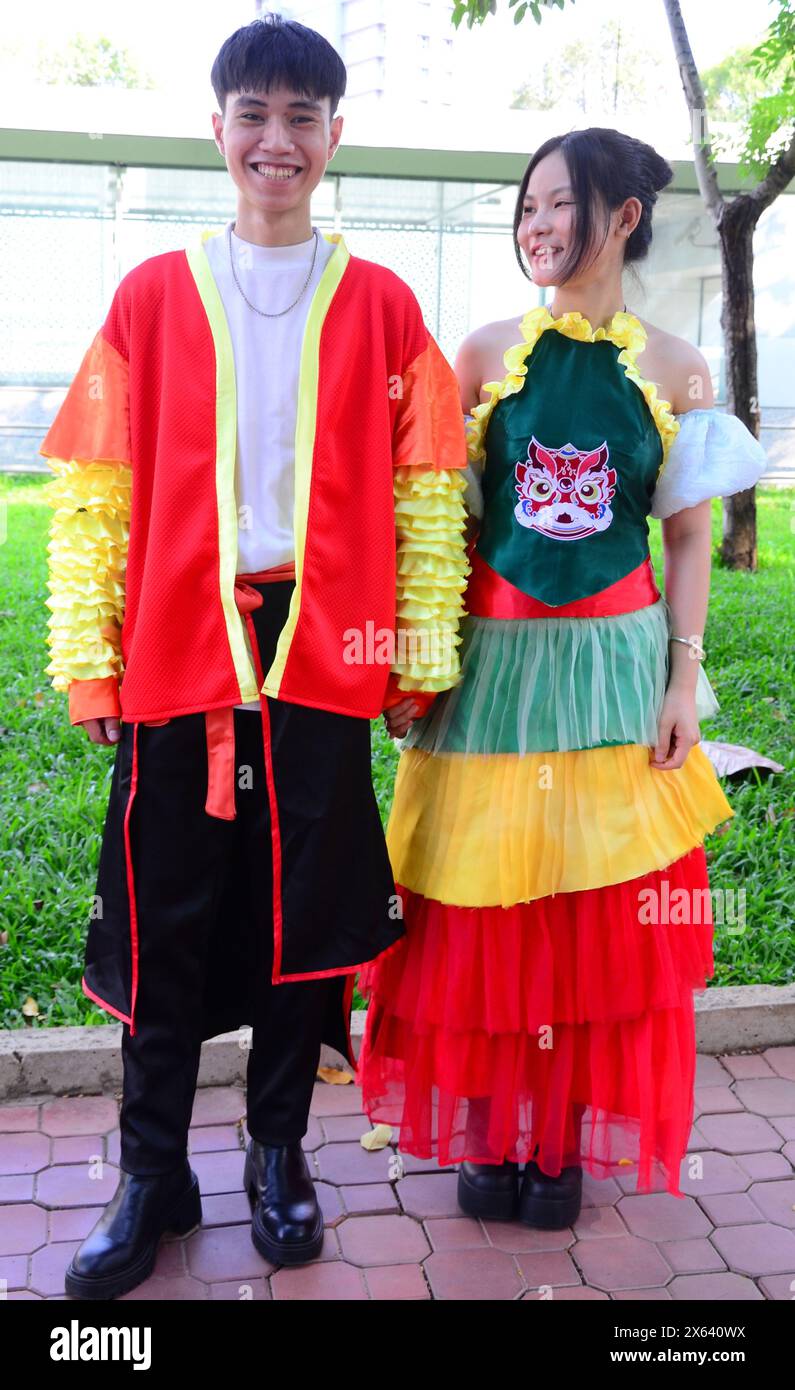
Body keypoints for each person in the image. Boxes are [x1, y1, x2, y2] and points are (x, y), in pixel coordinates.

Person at [41, 14, 470, 1299]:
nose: (275, 141)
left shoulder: (386, 305)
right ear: (217, 126)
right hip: (181, 645)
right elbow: (97, 488)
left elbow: (429, 486)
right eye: (254, 115)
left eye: (302, 118)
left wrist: (415, 654)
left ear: (336, 136)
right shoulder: (151, 294)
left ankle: (278, 1153)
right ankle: (149, 1173)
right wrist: (88, 653)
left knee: (308, 920)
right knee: (162, 916)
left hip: (326, 653)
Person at [356, 128, 769, 1229]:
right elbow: (438, 520)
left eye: (559, 205)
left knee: (593, 909)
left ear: (624, 218)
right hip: (494, 670)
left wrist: (685, 680)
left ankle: (558, 1143)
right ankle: (493, 1132)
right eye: (527, 207)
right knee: (482, 904)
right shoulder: (483, 352)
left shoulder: (678, 369)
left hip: (616, 670)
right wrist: (418, 662)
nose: (537, 226)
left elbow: (684, 539)